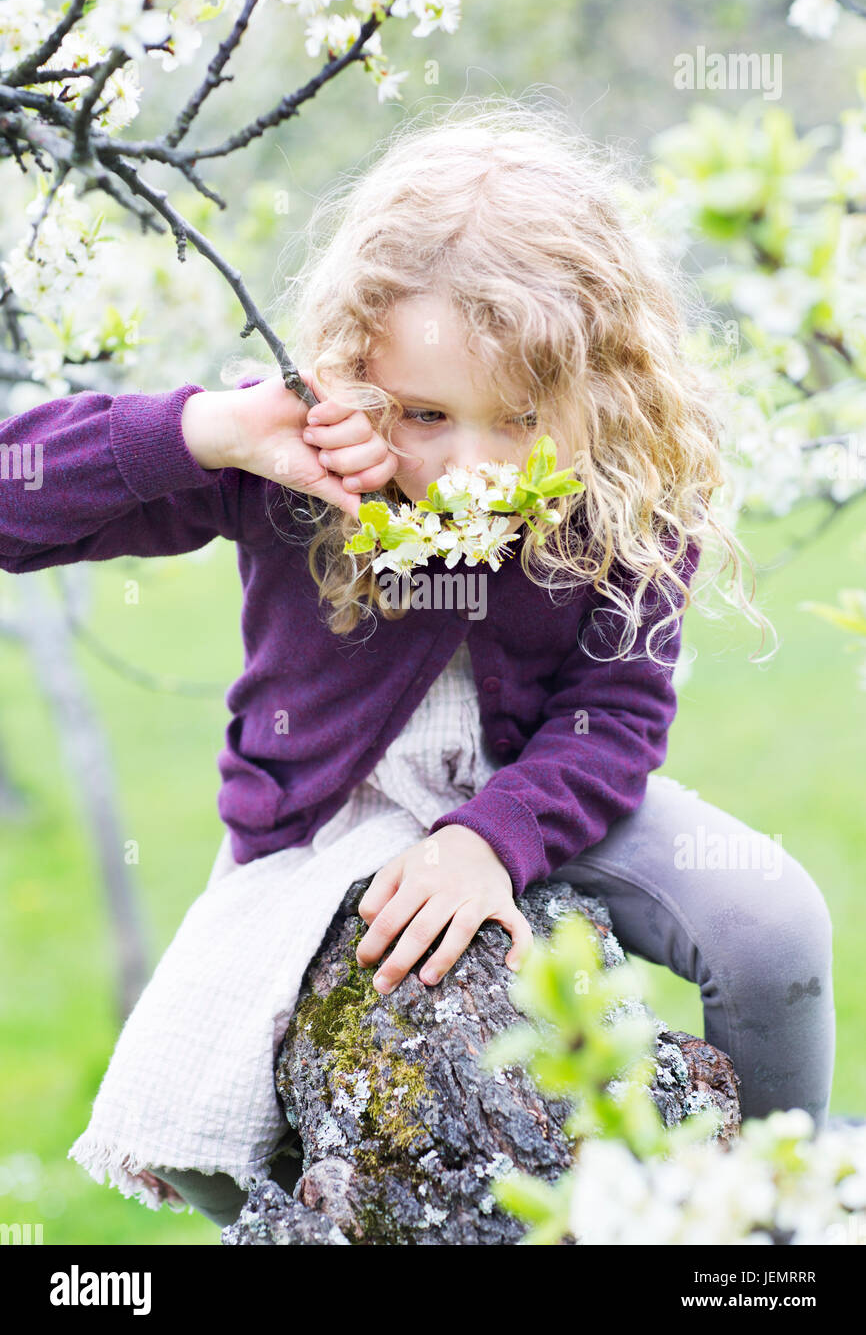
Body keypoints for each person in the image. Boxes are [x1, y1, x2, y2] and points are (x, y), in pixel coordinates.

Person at [0, 99, 834, 1232]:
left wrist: (493, 837)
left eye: (521, 420)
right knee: (205, 1127)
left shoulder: (621, 481)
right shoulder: (296, 451)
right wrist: (208, 431)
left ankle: (763, 1219)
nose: (467, 473)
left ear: (599, 388)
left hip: (548, 793)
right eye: (428, 415)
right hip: (319, 821)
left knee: (770, 920)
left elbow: (615, 711)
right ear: (355, 366)